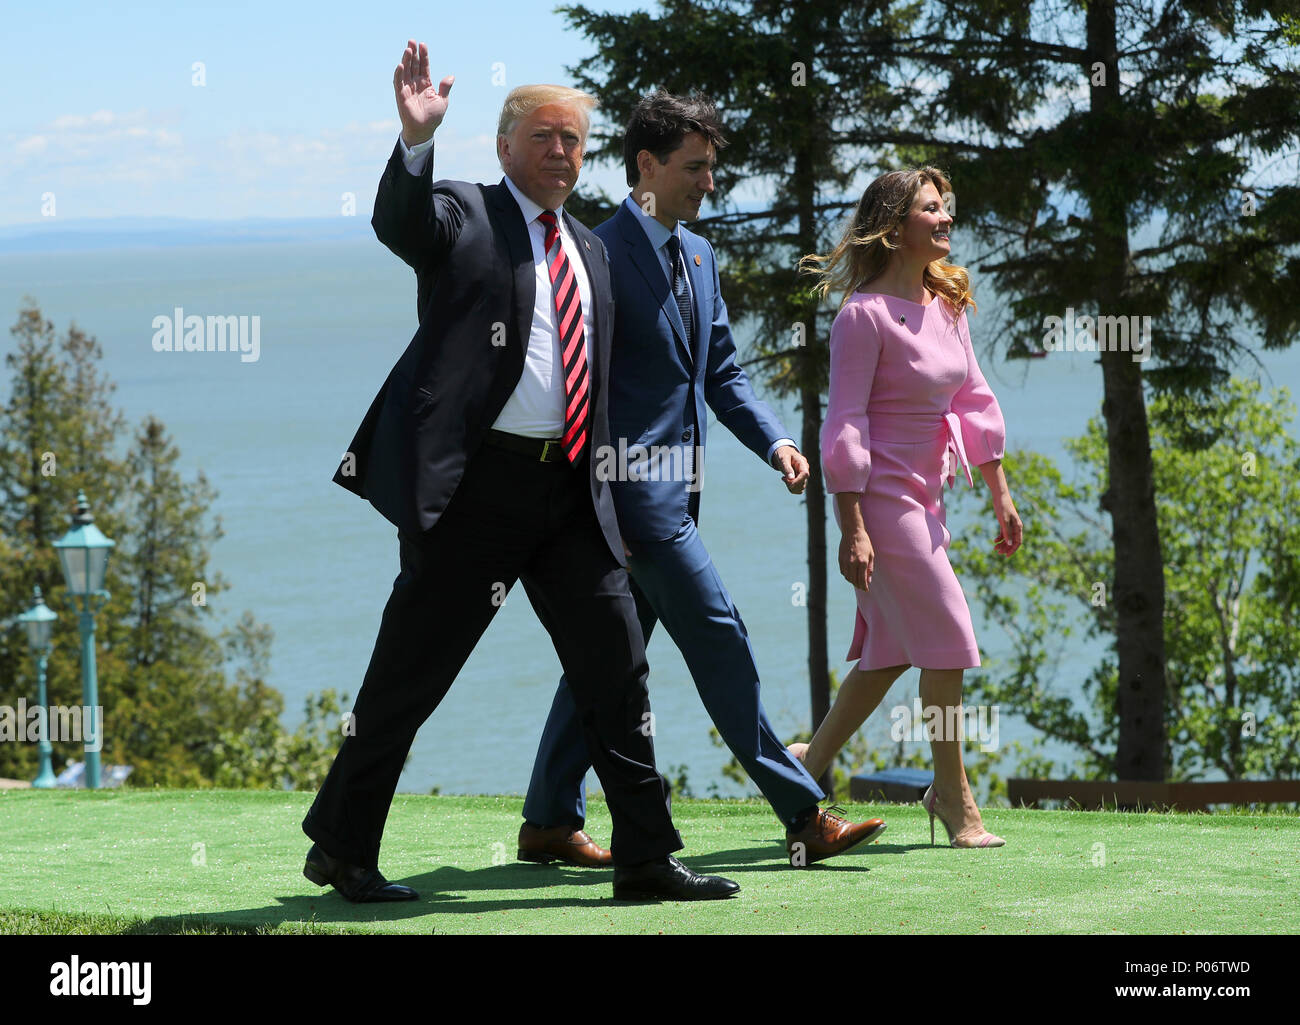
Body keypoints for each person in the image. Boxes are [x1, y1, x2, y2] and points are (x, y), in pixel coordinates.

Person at [300, 41, 739, 903]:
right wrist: (415, 138)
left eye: (574, 140)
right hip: (476, 492)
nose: (560, 153)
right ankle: (343, 848)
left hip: (571, 490)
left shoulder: (595, 250)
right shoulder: (462, 212)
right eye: (543, 136)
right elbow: (401, 223)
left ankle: (645, 856)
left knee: (616, 667)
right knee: (410, 672)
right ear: (505, 147)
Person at [518, 90, 884, 870]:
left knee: (606, 663)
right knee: (722, 641)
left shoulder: (701, 256)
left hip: (672, 496)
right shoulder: (593, 253)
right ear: (646, 165)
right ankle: (804, 811)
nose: (708, 183)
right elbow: (562, 382)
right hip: (631, 503)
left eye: (712, 168)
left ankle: (549, 815)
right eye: (695, 168)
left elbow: (722, 371)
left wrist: (776, 442)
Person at [790, 167, 1023, 848]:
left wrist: (1001, 490)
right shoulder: (861, 317)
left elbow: (974, 399)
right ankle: (952, 795)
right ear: (896, 229)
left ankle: (806, 763)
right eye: (931, 209)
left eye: (945, 207)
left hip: (928, 497)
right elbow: (845, 426)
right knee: (949, 638)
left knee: (891, 651)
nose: (946, 218)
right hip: (882, 502)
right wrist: (851, 526)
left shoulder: (946, 303)